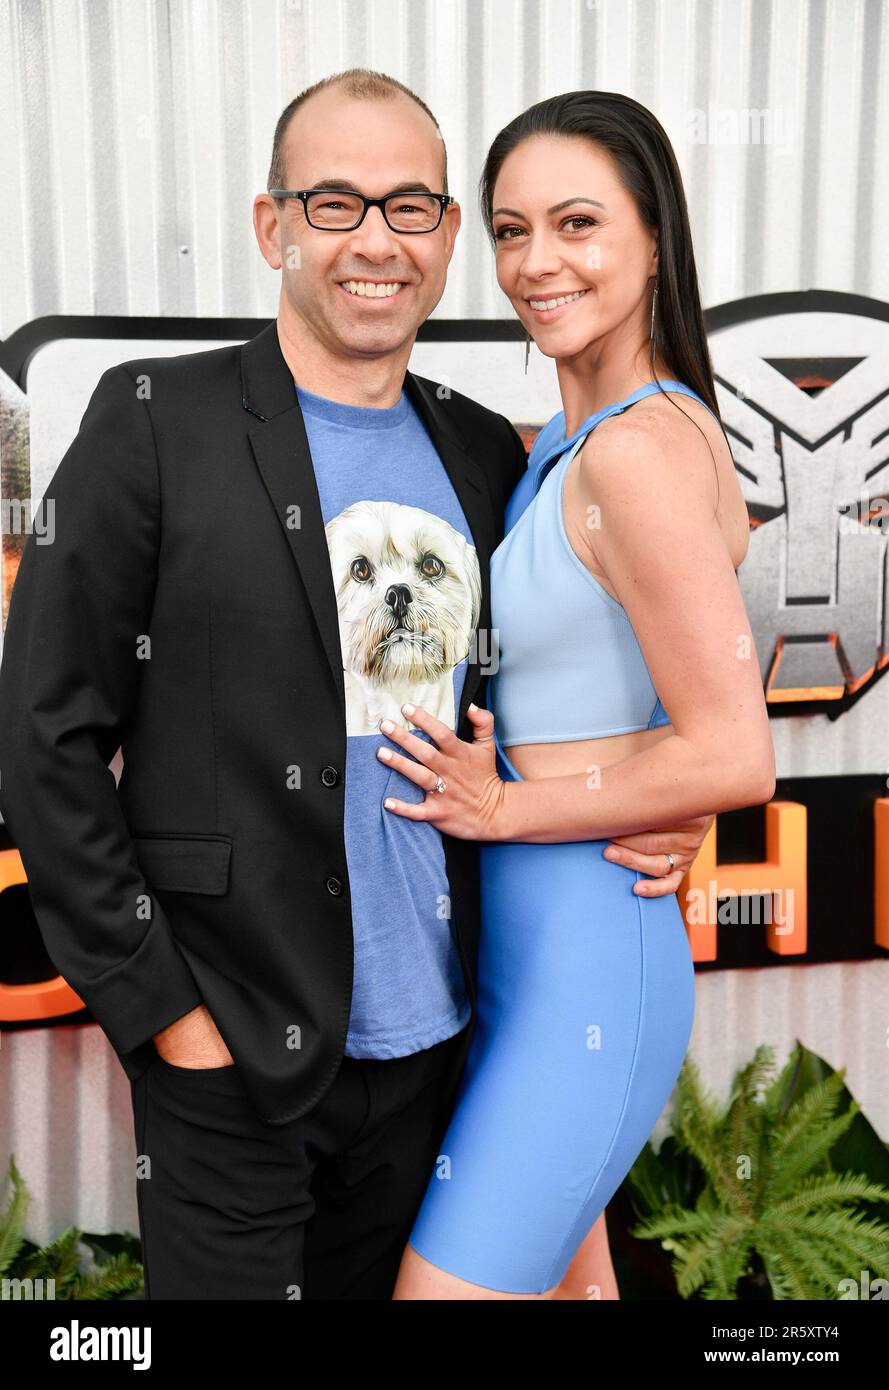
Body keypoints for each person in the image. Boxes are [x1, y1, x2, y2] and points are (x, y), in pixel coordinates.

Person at [0, 72, 714, 1301]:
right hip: (234, 1061)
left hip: (443, 1055)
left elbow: (585, 685)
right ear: (273, 225)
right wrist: (168, 1017)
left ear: (443, 240)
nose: (375, 239)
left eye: (411, 206)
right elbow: (43, 734)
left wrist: (669, 794)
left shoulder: (492, 451)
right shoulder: (156, 421)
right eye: (334, 204)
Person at [385, 91, 775, 1300]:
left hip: (586, 972)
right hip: (532, 963)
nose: (534, 264)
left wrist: (502, 807)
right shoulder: (571, 440)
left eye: (575, 223)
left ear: (655, 234)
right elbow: (653, 697)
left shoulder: (634, 451)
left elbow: (733, 756)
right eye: (509, 231)